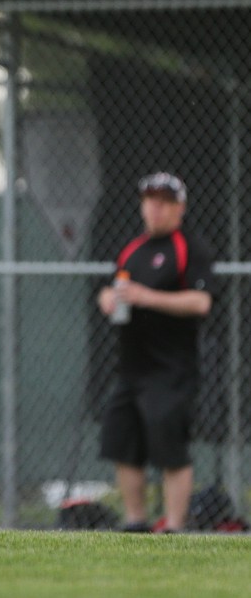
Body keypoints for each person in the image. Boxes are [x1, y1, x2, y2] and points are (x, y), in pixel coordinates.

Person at [96, 171, 215, 533]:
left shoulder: (189, 247)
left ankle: (173, 528)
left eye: (164, 202)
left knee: (169, 446)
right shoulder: (133, 249)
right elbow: (116, 288)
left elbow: (201, 302)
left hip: (171, 370)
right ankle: (136, 521)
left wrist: (148, 298)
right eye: (150, 201)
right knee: (122, 441)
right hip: (132, 368)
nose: (156, 209)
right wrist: (107, 298)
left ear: (179, 207)